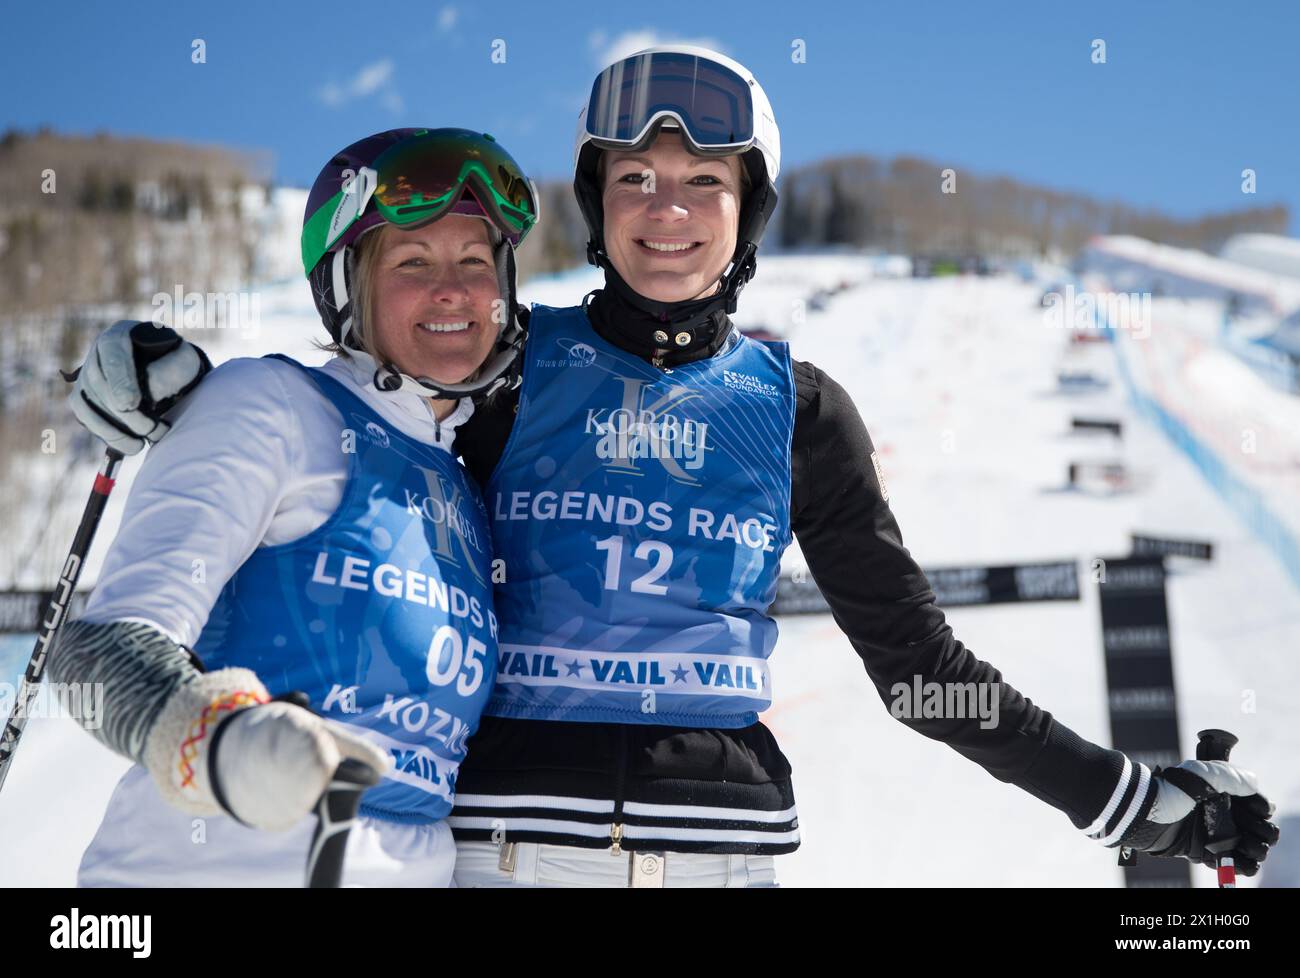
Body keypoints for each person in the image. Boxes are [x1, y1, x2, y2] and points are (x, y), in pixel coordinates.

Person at [69, 48, 1280, 889]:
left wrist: (1118, 796)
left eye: (705, 182)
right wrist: (163, 386)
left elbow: (920, 670)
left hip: (726, 847)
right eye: (634, 179)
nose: (667, 210)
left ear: (746, 211)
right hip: (502, 850)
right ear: (595, 203)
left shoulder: (795, 410)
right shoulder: (502, 359)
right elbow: (356, 388)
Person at [49, 127, 538, 886]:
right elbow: (99, 653)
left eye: (475, 261)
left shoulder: (468, 486)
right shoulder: (274, 406)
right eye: (413, 261)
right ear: (348, 289)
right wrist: (220, 745)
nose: (453, 290)